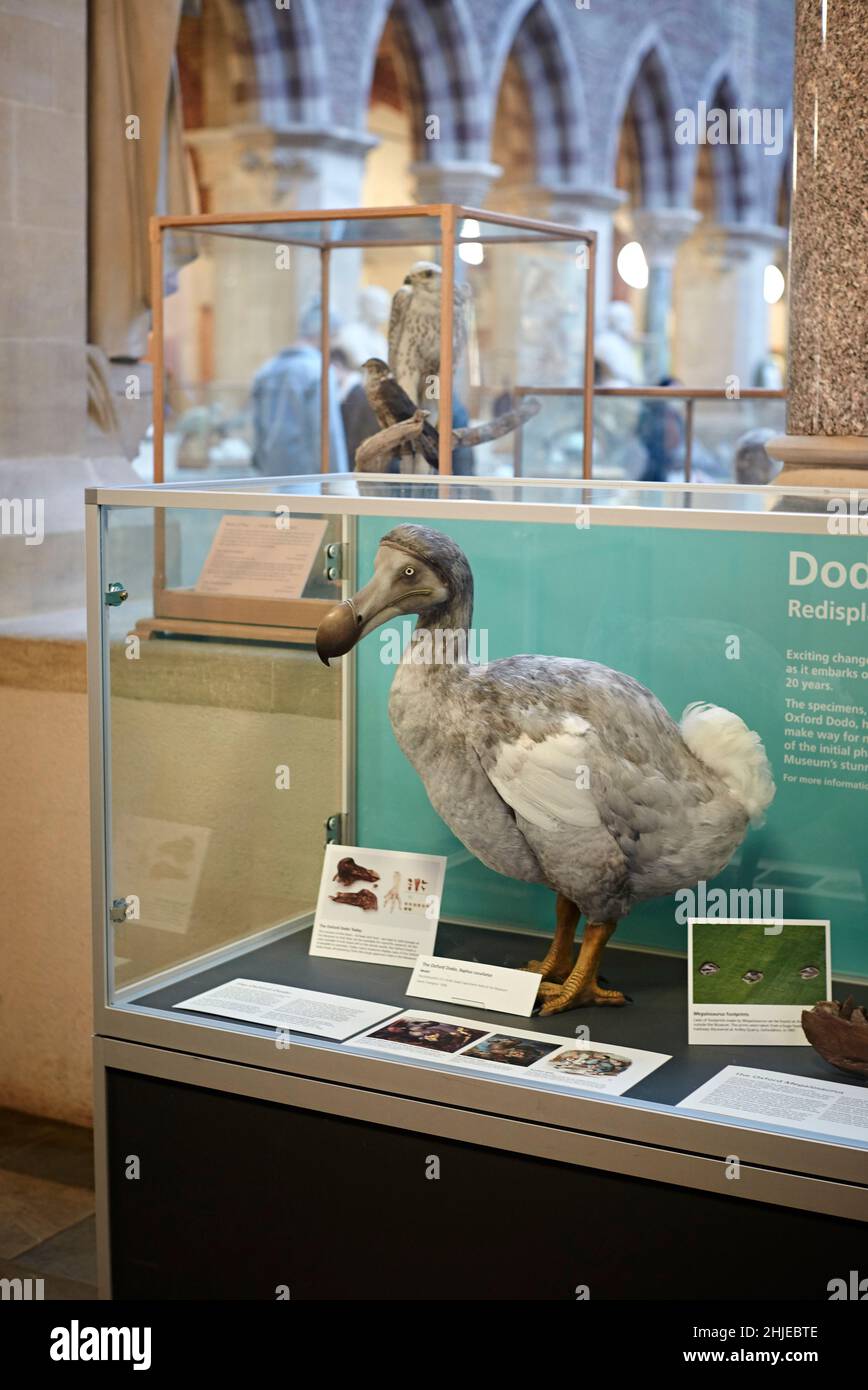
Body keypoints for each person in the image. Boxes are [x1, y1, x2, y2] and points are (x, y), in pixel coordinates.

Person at [250, 299, 348, 475]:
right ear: (328, 333)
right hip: (308, 481)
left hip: (269, 477)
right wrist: (338, 480)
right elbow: (328, 435)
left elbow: (258, 430)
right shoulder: (319, 372)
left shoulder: (266, 370)